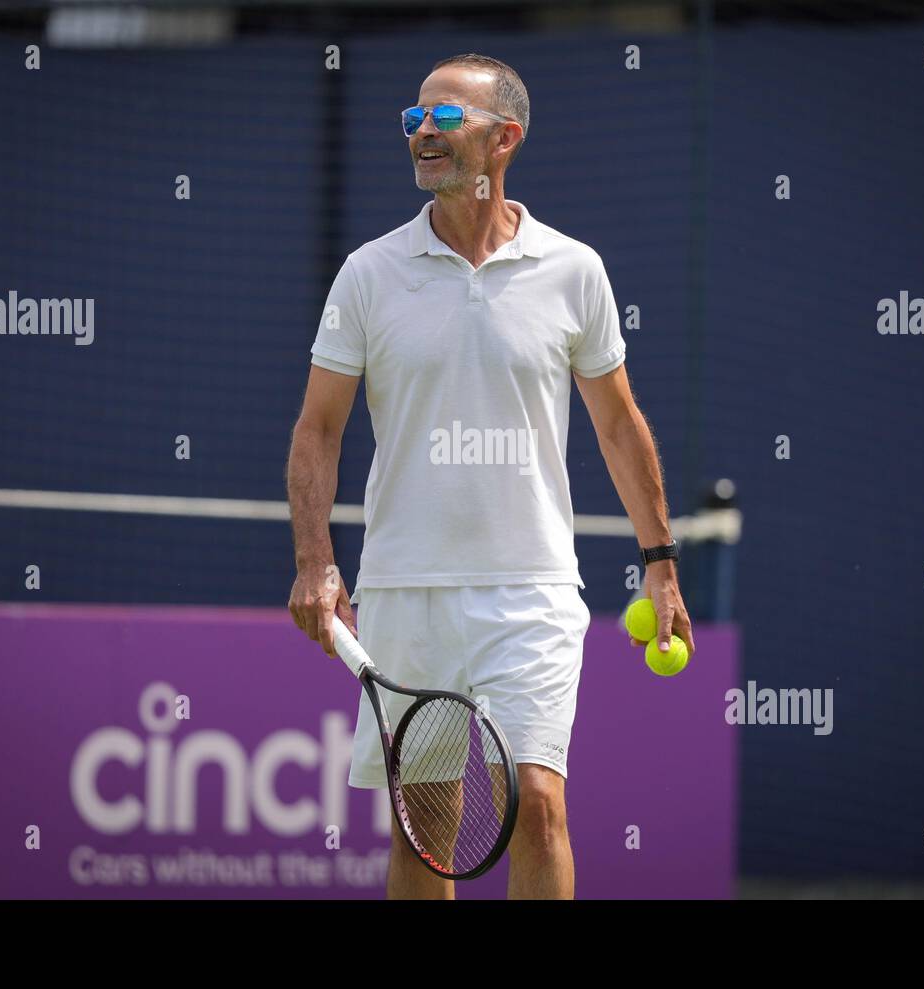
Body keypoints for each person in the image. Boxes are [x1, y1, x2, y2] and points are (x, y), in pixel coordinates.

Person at [287, 53, 693, 899]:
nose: (422, 134)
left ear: (505, 138)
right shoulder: (368, 274)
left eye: (445, 120)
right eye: (413, 119)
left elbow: (618, 424)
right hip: (407, 588)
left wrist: (660, 557)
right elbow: (317, 429)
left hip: (533, 591)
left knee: (539, 804)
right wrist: (314, 559)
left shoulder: (574, 270)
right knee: (428, 832)